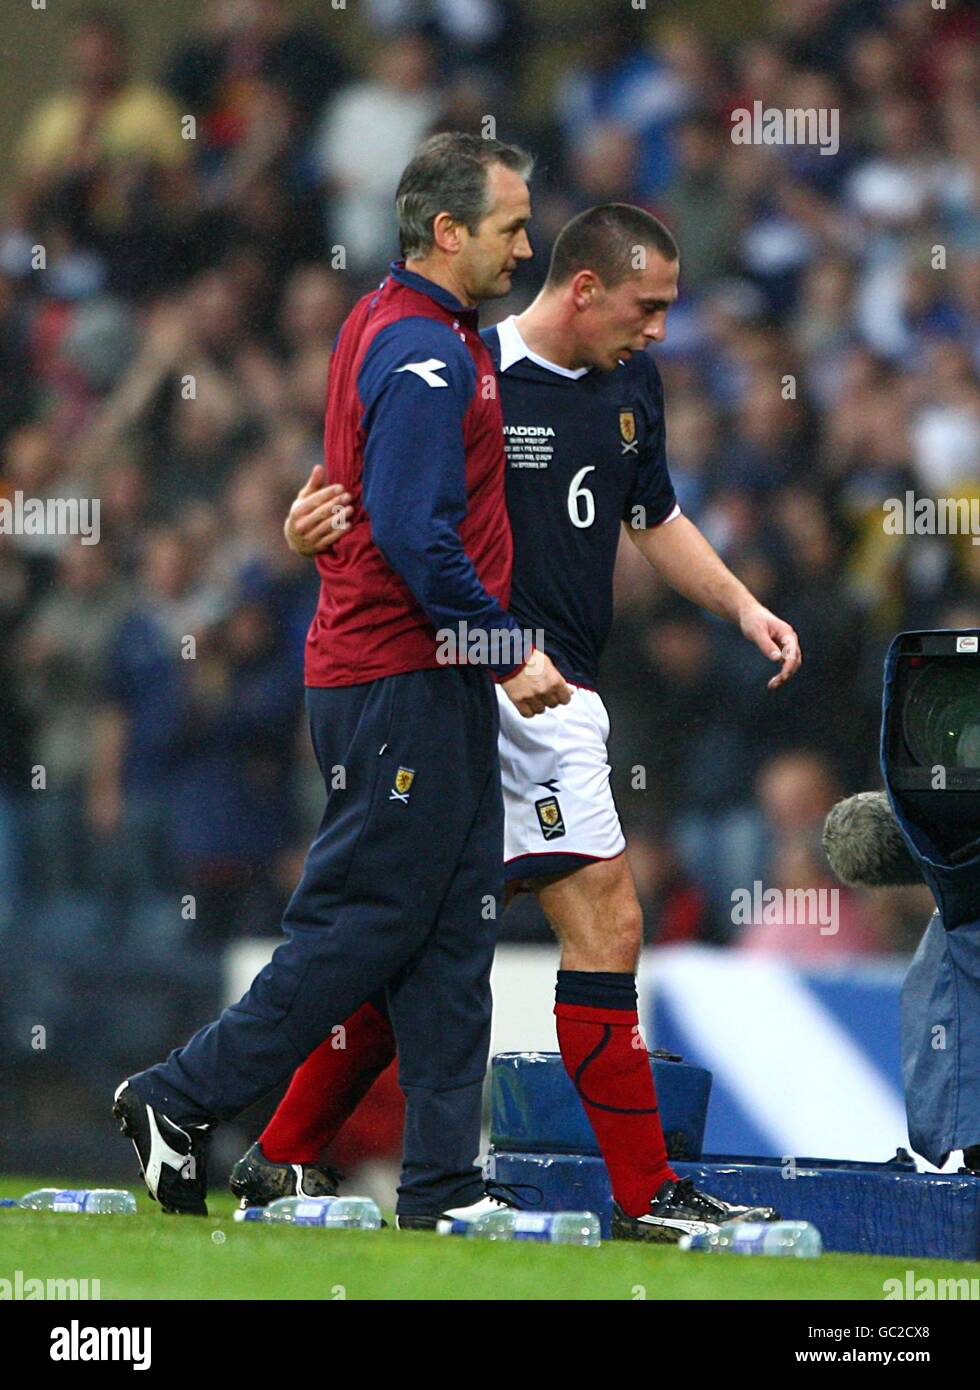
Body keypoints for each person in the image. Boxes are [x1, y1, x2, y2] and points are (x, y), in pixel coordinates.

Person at [233, 203, 801, 1241]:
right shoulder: (461, 366)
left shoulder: (631, 382)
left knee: (430, 937)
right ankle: (643, 1196)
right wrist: (296, 530)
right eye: (649, 305)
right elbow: (378, 506)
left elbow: (652, 515)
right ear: (584, 289)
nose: (661, 329)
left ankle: (276, 1154)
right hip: (467, 682)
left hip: (555, 690)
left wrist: (739, 605)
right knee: (559, 923)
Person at [113, 131, 571, 1227]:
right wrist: (505, 647)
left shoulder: (402, 325)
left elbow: (368, 500)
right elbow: (416, 537)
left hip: (420, 677)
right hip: (398, 675)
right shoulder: (421, 354)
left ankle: (441, 1187)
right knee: (361, 924)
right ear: (446, 231)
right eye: (509, 227)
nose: (524, 246)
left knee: (453, 932)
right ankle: (175, 1096)